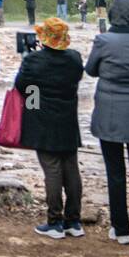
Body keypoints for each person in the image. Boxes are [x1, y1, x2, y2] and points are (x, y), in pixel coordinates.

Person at [86, 0, 129, 245]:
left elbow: (91, 70)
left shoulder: (103, 40)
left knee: (115, 172)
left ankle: (121, 228)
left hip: (110, 112)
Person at [16, 17, 85, 239]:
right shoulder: (75, 59)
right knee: (71, 168)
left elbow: (22, 86)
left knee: (52, 170)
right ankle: (74, 220)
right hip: (68, 120)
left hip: (42, 122)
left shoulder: (34, 60)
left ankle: (55, 222)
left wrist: (28, 57)